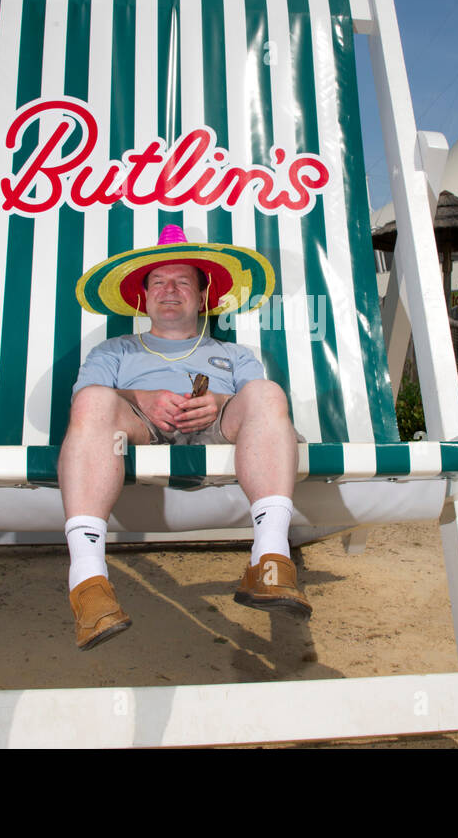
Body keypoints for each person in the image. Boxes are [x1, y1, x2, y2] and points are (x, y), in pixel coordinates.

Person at [59, 225, 309, 650]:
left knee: (266, 393)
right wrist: (140, 396)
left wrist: (219, 399)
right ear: (142, 295)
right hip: (138, 430)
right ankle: (88, 582)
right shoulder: (114, 351)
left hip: (222, 430)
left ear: (202, 294)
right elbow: (83, 404)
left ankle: (270, 559)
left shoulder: (235, 355)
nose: (169, 289)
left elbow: (258, 409)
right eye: (158, 281)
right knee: (92, 401)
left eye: (181, 281)